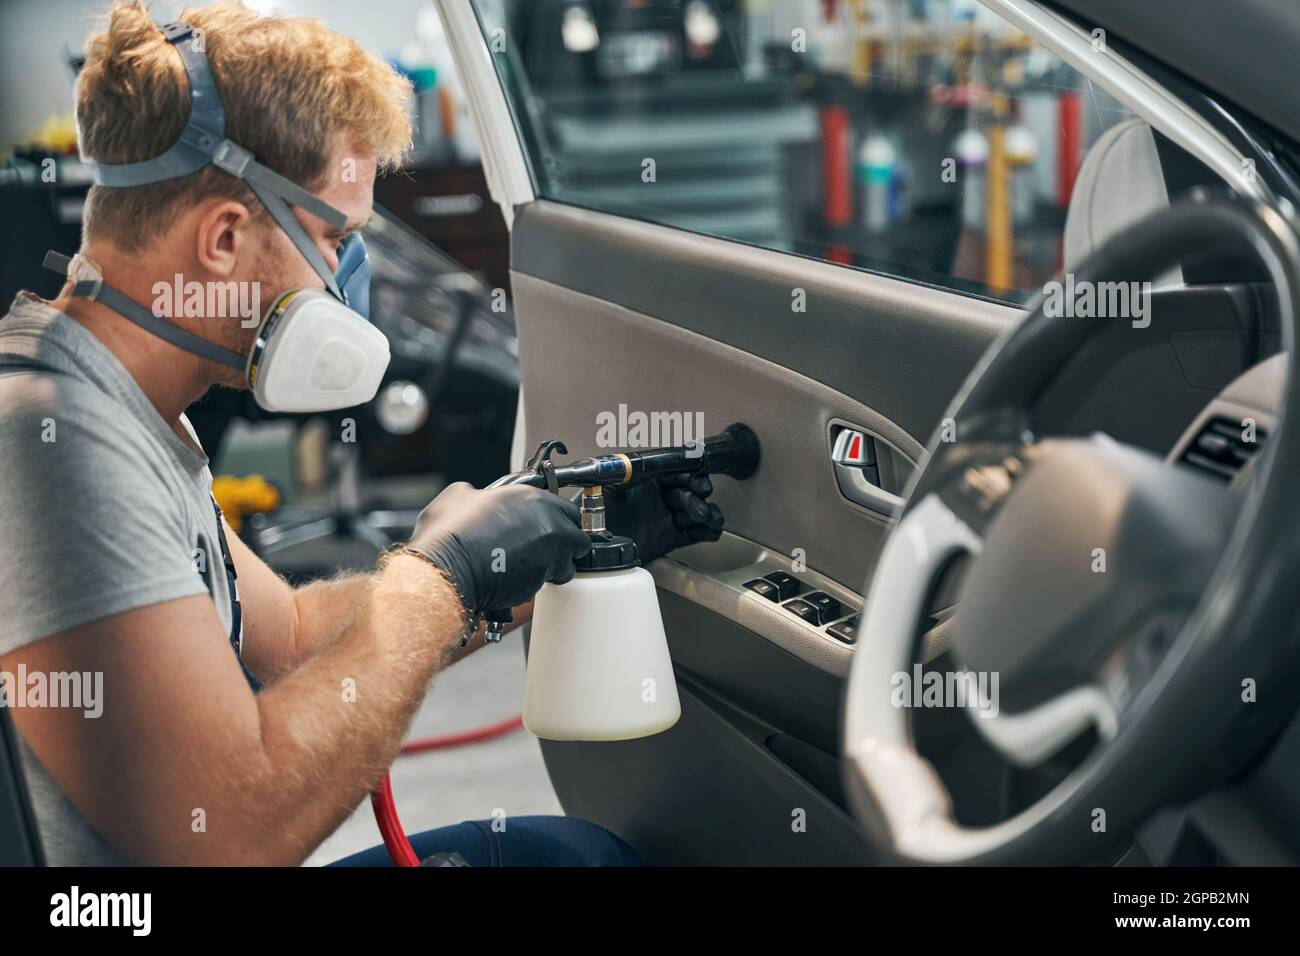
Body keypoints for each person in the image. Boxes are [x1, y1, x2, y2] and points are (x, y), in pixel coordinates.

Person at [0, 0, 722, 866]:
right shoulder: (55, 442)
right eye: (334, 236)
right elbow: (229, 831)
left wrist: (509, 568)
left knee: (572, 856)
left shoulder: (123, 404)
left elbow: (296, 641)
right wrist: (436, 578)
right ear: (224, 238)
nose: (349, 277)